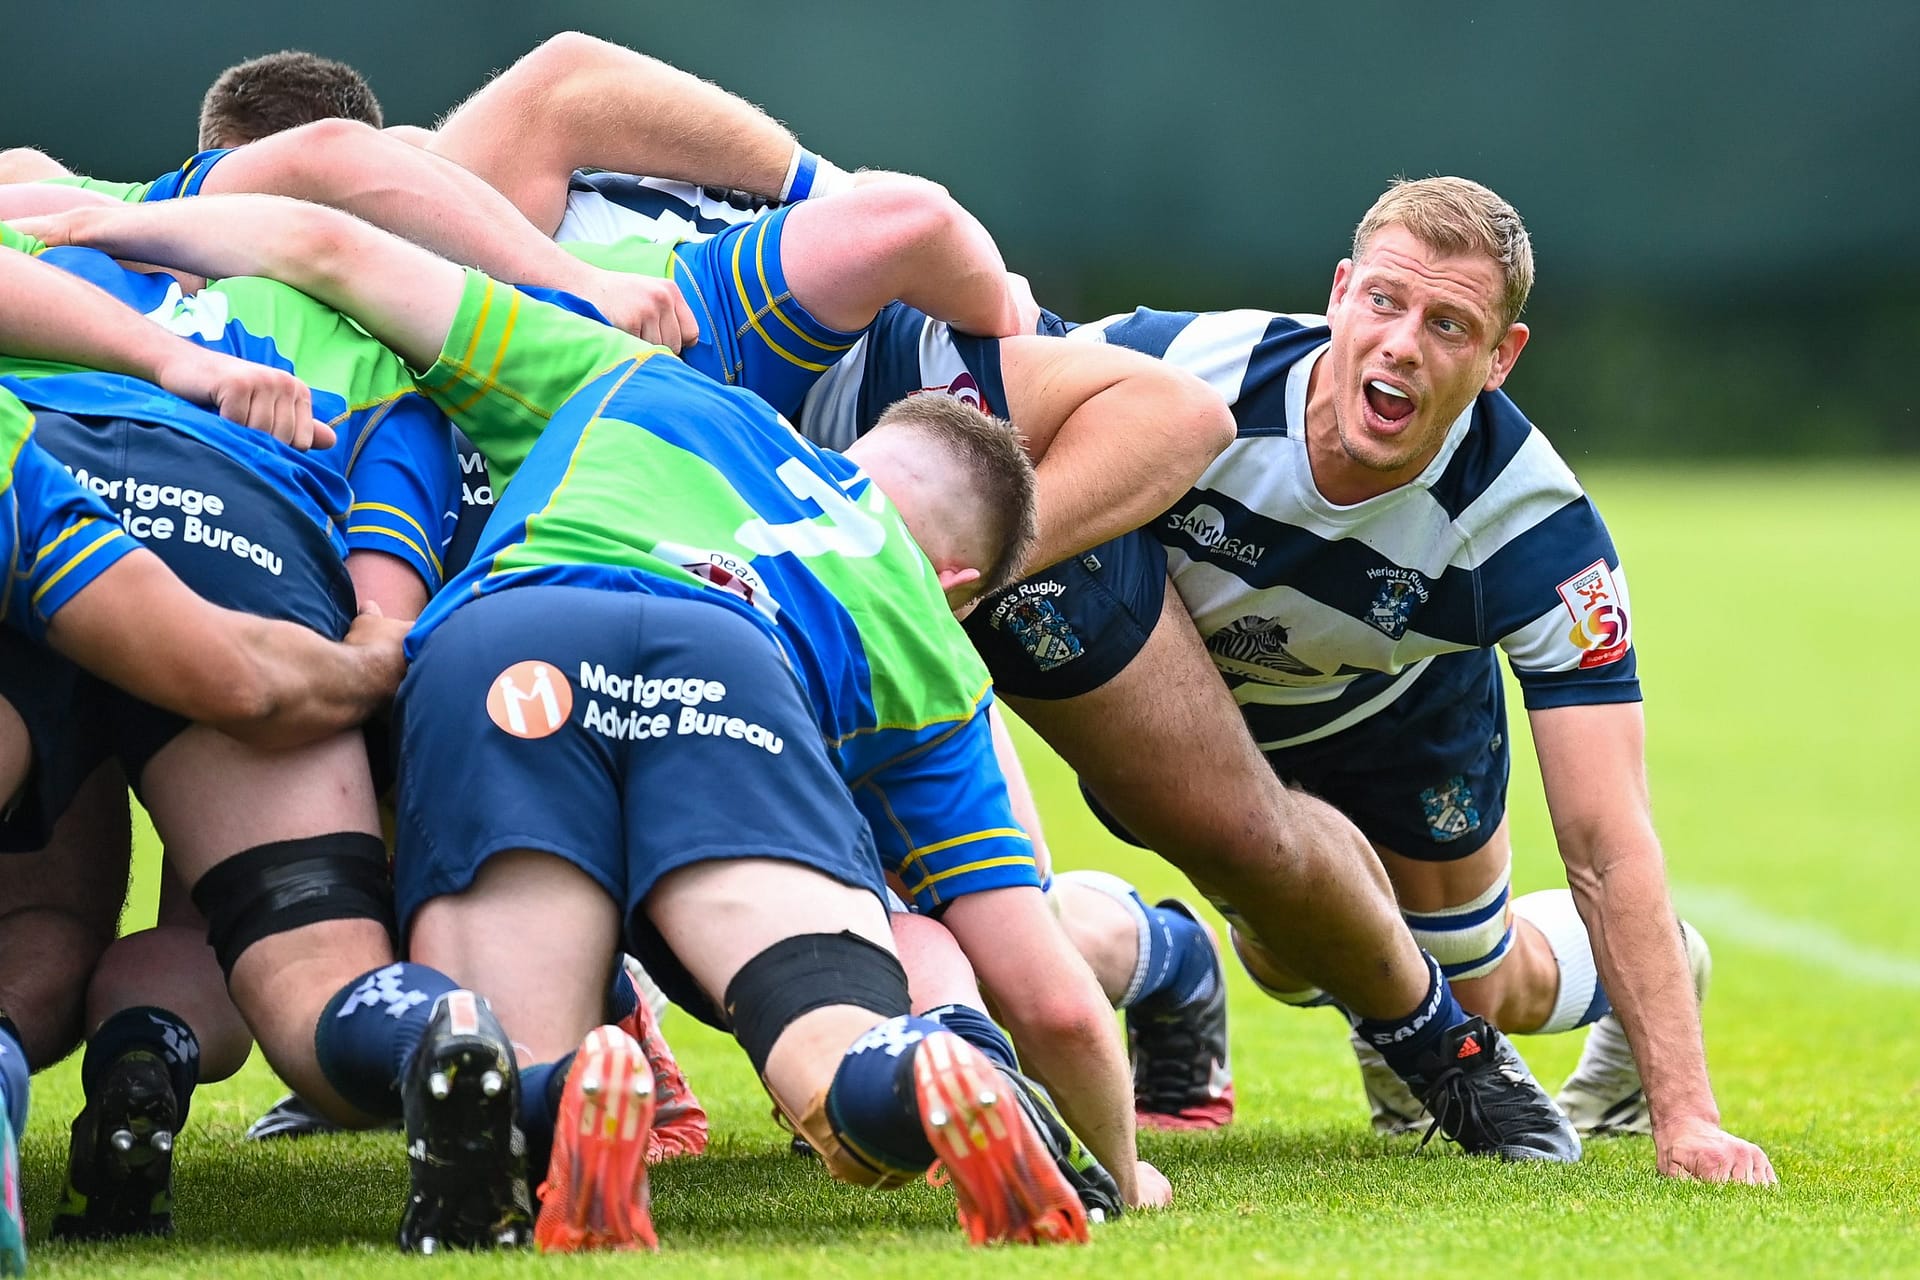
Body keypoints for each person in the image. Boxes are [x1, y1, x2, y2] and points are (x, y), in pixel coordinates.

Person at [996, 176, 1770, 1184]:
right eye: (1385, 301)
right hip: (1201, 706)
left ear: (1501, 358)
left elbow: (1607, 838)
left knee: (1481, 990)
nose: (1404, 343)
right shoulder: (1178, 364)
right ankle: (1332, 988)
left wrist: (1691, 1115)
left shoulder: (1535, 530)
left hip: (1397, 717)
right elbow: (981, 410)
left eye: (1451, 324)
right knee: (1286, 959)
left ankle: (1649, 976)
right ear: (1340, 293)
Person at [0, 245, 412, 1268]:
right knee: (306, 952)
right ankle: (444, 1044)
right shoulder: (383, 322)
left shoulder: (47, 244)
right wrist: (366, 665)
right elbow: (243, 678)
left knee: (43, 910)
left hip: (55, 446)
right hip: (233, 512)